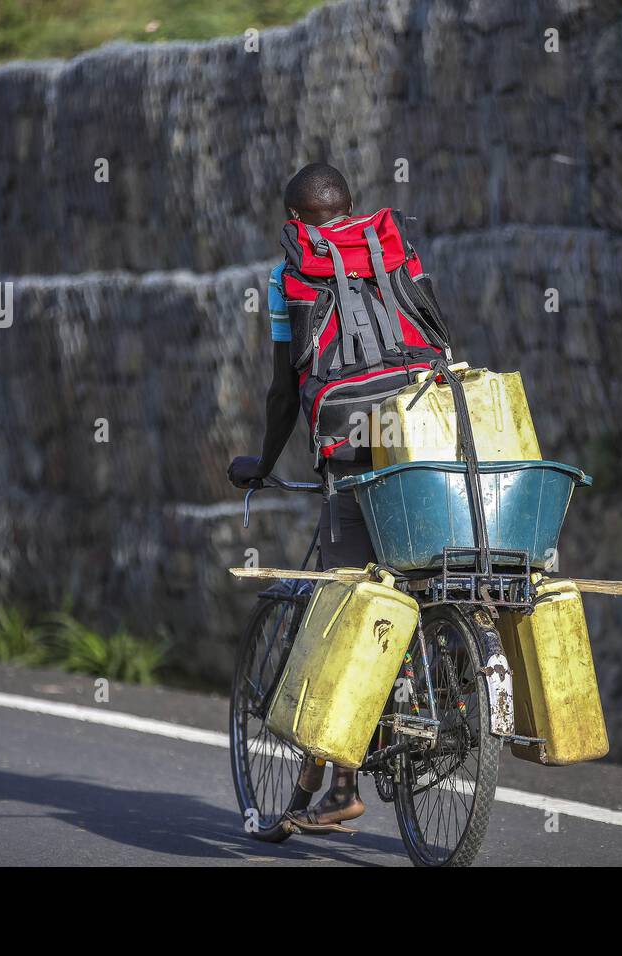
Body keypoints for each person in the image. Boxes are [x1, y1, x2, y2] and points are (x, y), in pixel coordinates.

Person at [228, 162, 423, 831]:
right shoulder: (393, 249)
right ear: (351, 207)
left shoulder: (291, 276)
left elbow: (287, 385)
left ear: (294, 221)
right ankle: (437, 683)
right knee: (418, 569)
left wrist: (264, 460)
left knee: (346, 598)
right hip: (422, 428)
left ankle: (343, 786)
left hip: (348, 444)